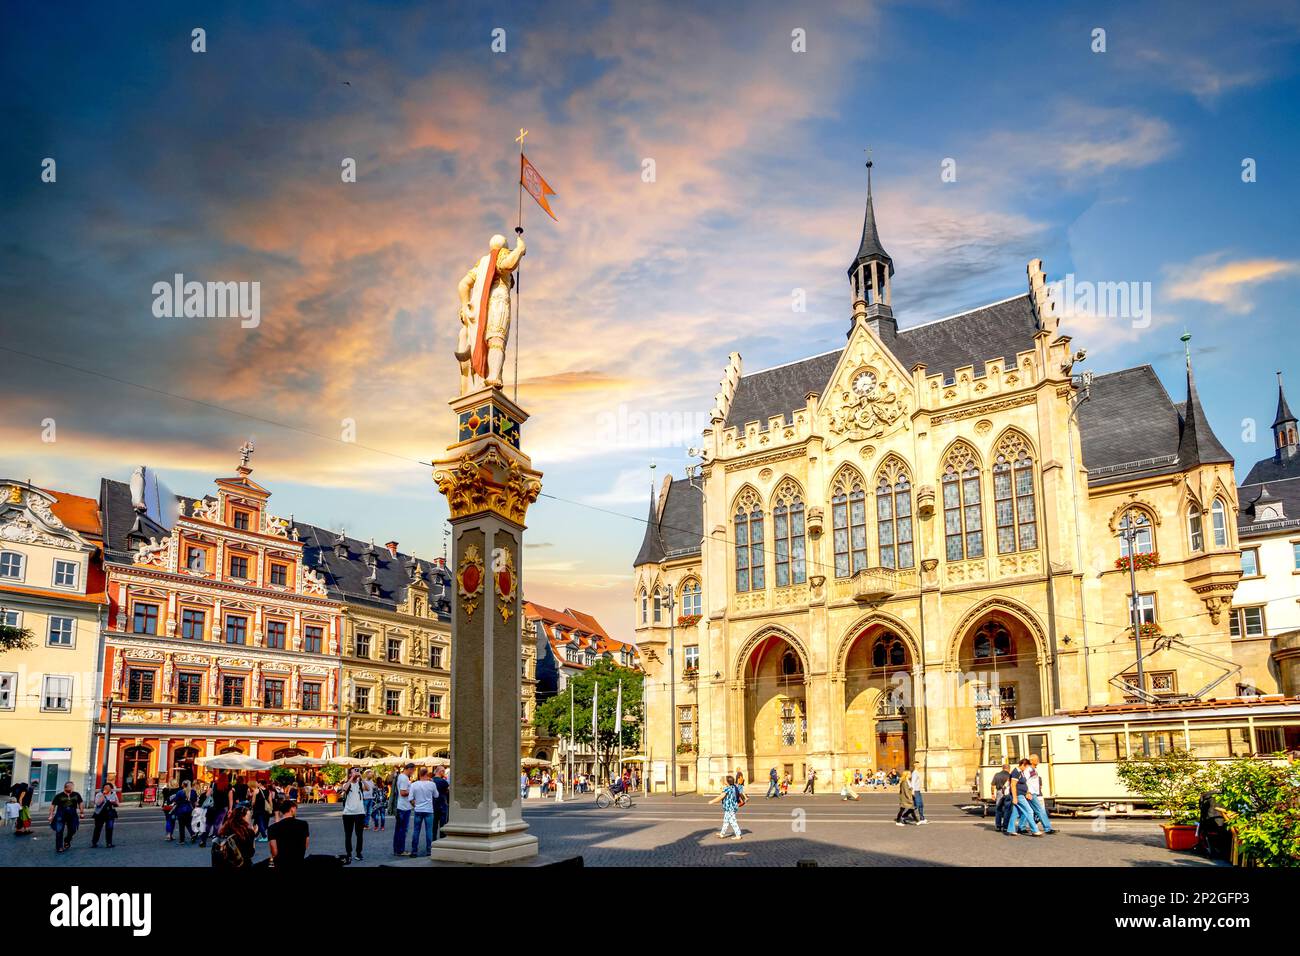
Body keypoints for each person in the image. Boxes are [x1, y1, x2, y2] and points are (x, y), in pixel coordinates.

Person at [338, 767, 368, 863]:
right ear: (350, 774)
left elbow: (368, 788)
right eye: (353, 772)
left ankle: (359, 853)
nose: (355, 774)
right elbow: (344, 789)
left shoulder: (360, 784)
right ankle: (349, 854)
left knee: (359, 835)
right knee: (348, 835)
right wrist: (351, 778)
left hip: (360, 813)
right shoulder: (347, 784)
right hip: (348, 813)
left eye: (356, 772)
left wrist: (362, 778)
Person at [1006, 759, 1043, 836]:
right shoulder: (1016, 772)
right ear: (1023, 764)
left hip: (1021, 794)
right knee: (1029, 811)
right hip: (1018, 795)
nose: (1026, 769)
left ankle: (1011, 829)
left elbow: (1023, 784)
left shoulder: (1020, 772)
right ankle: (1035, 830)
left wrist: (1027, 792)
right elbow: (1013, 785)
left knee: (1015, 813)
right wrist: (1015, 797)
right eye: (1026, 767)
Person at [267, 800, 309, 868]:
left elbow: (274, 852)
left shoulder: (272, 828)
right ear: (292, 809)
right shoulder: (303, 824)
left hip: (282, 863)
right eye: (295, 809)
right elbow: (306, 845)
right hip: (298, 861)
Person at [407, 768, 438, 856]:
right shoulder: (432, 784)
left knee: (416, 830)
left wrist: (415, 805)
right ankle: (429, 850)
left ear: (419, 774)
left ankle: (414, 851)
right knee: (429, 831)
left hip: (418, 810)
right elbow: (436, 795)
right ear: (427, 774)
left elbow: (410, 798)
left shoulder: (414, 785)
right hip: (429, 810)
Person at [48, 781, 84, 852]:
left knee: (73, 829)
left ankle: (67, 840)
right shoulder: (59, 796)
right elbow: (53, 805)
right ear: (65, 787)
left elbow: (80, 802)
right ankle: (59, 847)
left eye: (72, 787)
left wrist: (82, 812)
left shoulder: (76, 794)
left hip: (72, 814)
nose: (72, 788)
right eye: (71, 787)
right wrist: (51, 815)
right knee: (59, 831)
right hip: (61, 814)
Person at [1025, 754, 1056, 834]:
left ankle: (1021, 827)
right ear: (1031, 760)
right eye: (1036, 759)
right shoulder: (1029, 769)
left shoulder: (1033, 769)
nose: (1038, 760)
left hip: (1033, 793)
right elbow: (1025, 781)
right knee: (1040, 810)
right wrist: (1028, 792)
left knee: (1028, 811)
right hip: (1031, 793)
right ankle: (1047, 828)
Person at [709, 775, 742, 840]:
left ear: (727, 782)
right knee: (726, 821)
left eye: (725, 780)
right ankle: (722, 834)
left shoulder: (727, 789)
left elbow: (721, 797)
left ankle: (738, 835)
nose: (724, 780)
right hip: (731, 807)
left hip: (730, 808)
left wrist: (712, 801)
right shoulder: (733, 787)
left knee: (733, 822)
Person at [392, 762, 414, 857]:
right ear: (409, 769)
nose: (412, 773)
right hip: (404, 807)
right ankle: (400, 850)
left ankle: (397, 849)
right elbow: (403, 793)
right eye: (412, 771)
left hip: (401, 806)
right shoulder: (404, 778)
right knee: (402, 830)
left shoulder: (401, 777)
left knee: (398, 830)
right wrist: (412, 791)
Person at [90, 783, 120, 848]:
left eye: (107, 787)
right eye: (105, 787)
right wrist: (103, 795)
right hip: (100, 814)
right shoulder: (99, 794)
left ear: (111, 788)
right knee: (98, 828)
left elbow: (118, 804)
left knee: (109, 828)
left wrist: (114, 802)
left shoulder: (113, 794)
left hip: (110, 814)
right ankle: (94, 842)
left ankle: (109, 843)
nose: (106, 788)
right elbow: (98, 803)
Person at [990, 763, 1012, 833]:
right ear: (1008, 768)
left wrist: (992, 794)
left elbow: (992, 785)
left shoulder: (997, 775)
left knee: (998, 809)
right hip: (1007, 792)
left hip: (999, 792)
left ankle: (998, 826)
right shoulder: (1010, 775)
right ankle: (1005, 826)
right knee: (1007, 809)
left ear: (1002, 768)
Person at [432, 766, 450, 841]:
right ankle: (442, 840)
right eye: (444, 771)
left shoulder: (431, 781)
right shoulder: (443, 782)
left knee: (434, 824)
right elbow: (448, 791)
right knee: (443, 824)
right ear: (441, 772)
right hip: (442, 804)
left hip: (433, 804)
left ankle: (433, 839)